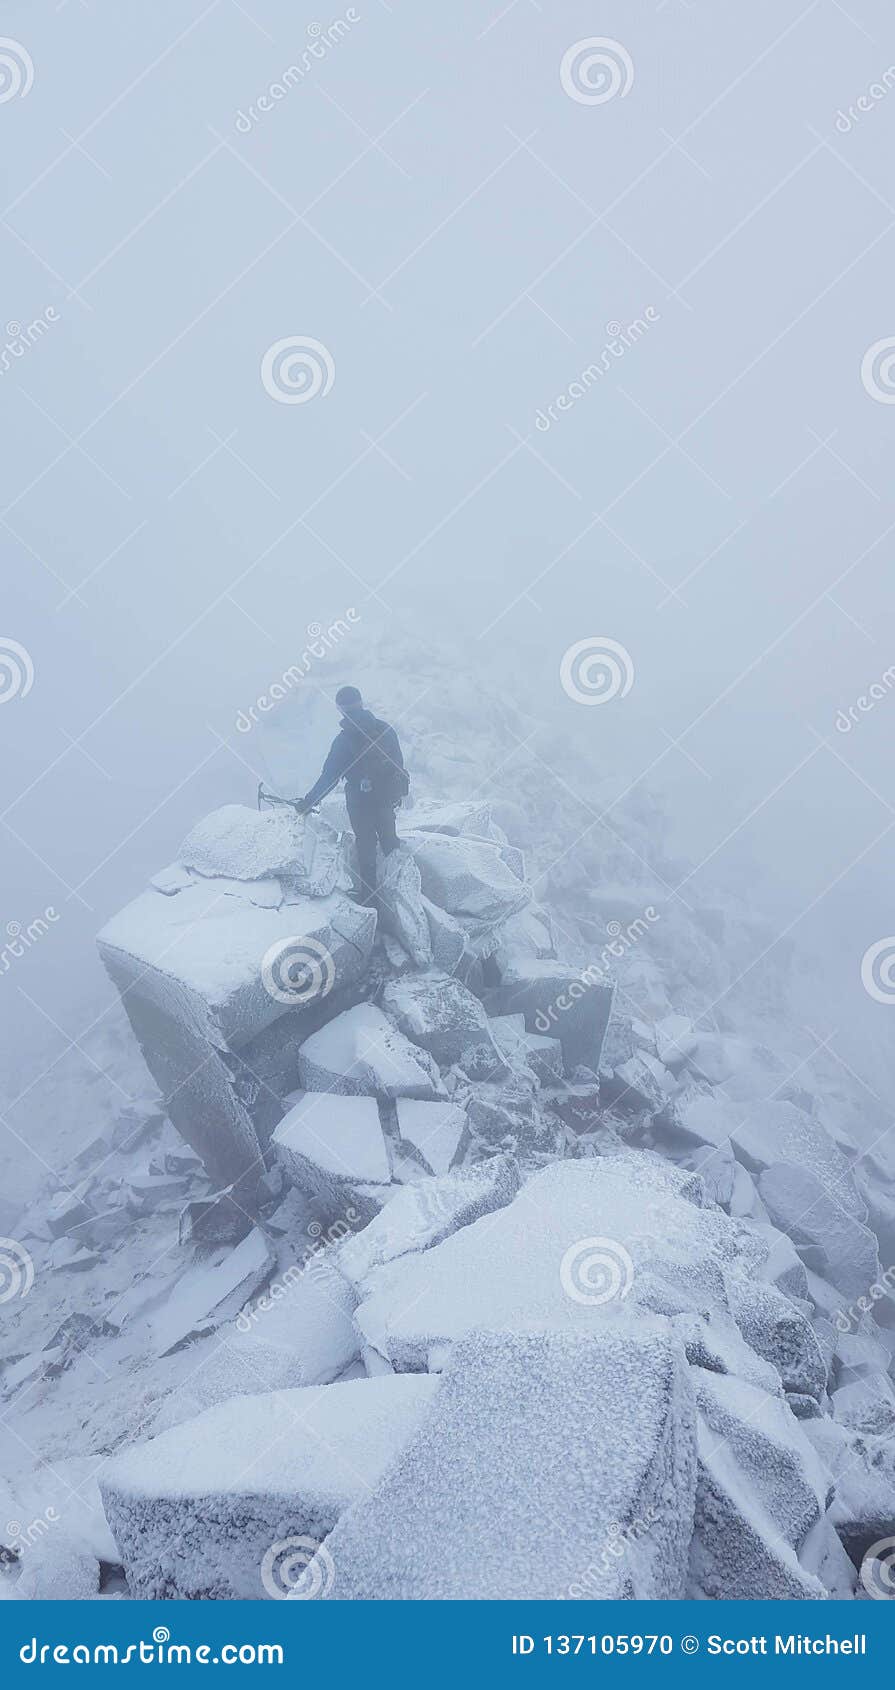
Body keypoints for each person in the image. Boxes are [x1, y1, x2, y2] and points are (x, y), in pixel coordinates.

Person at [296, 686, 408, 905]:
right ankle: (401, 896)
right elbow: (398, 764)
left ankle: (369, 899)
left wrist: (308, 802)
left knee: (366, 845)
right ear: (361, 703)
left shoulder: (344, 740)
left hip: (359, 801)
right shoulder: (386, 730)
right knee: (389, 842)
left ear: (341, 709)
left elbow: (330, 777)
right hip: (385, 799)